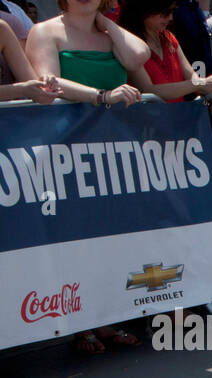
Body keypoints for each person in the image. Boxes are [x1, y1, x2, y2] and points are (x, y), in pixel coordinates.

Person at [25, 0, 151, 352]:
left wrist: (104, 23)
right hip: (64, 154)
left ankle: (106, 317)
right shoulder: (44, 31)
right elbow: (50, 83)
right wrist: (102, 97)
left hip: (114, 156)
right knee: (73, 241)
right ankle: (79, 324)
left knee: (109, 239)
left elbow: (138, 57)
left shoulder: (109, 32)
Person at [118, 0, 212, 100]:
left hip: (177, 120)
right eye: (165, 12)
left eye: (172, 11)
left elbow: (192, 77)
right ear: (144, 9)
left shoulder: (169, 38)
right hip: (147, 124)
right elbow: (148, 90)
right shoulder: (126, 44)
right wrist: (201, 84)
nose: (171, 18)